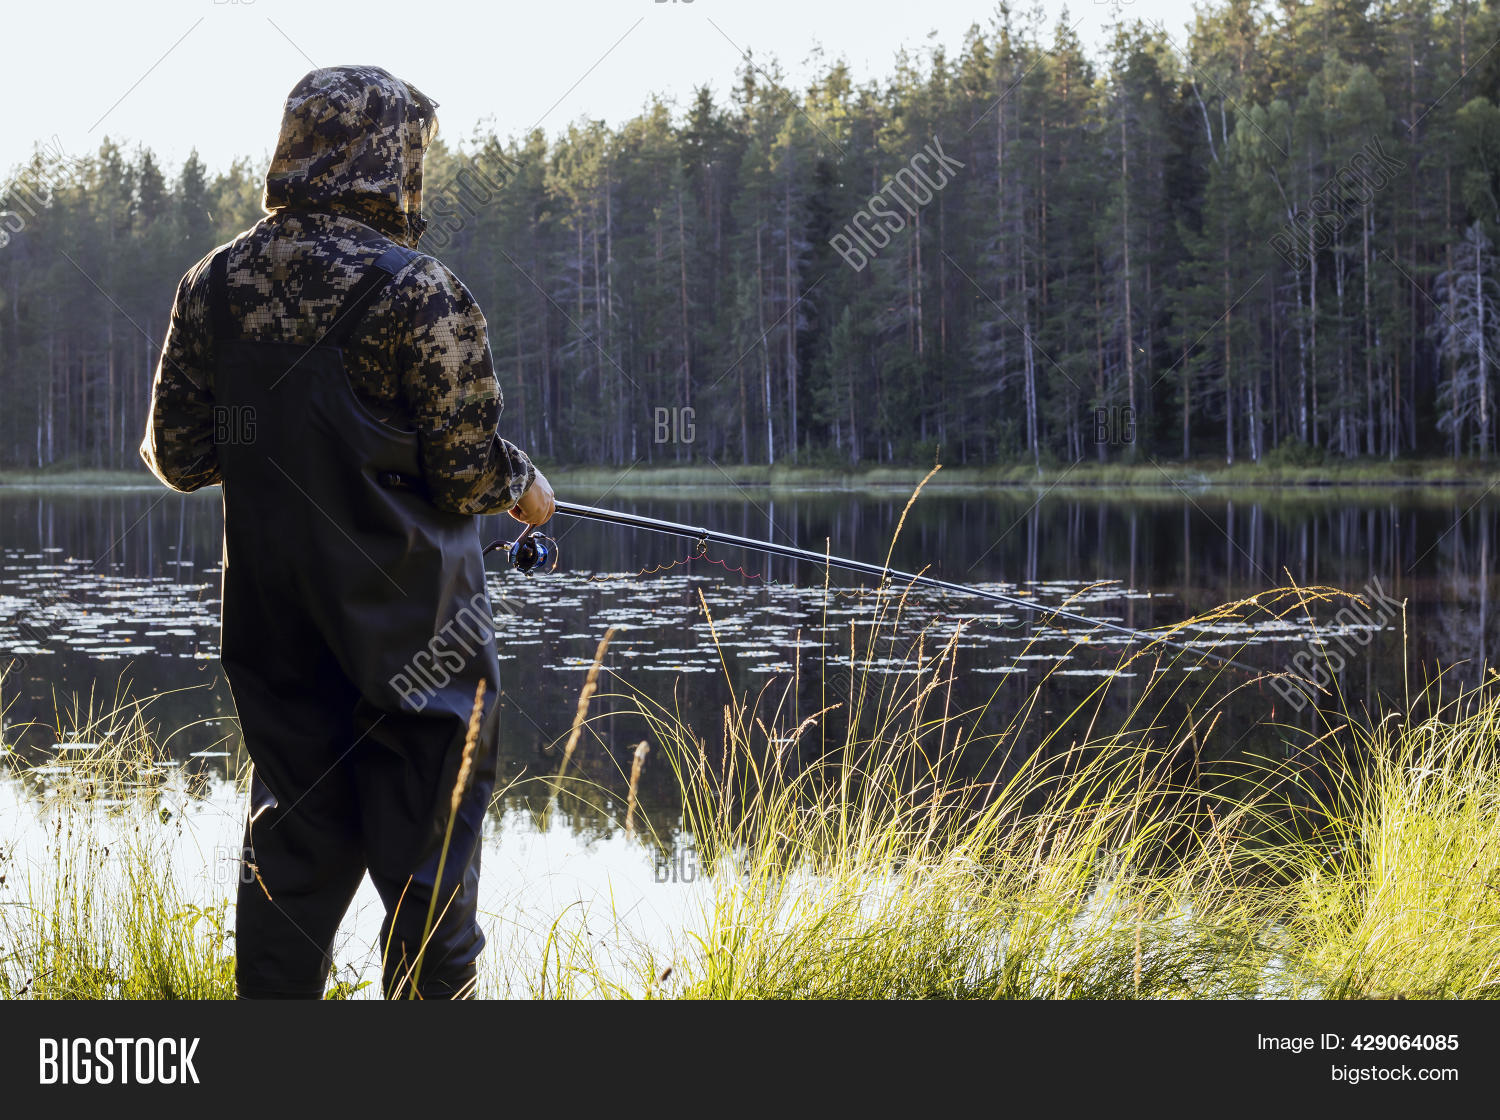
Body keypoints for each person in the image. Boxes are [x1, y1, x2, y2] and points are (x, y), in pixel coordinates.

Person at [140, 64, 553, 999]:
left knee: (286, 880)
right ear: (391, 155)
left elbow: (180, 458)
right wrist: (527, 488)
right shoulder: (423, 290)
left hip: (278, 635)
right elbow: (466, 471)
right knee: (430, 894)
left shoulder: (213, 283)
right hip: (420, 646)